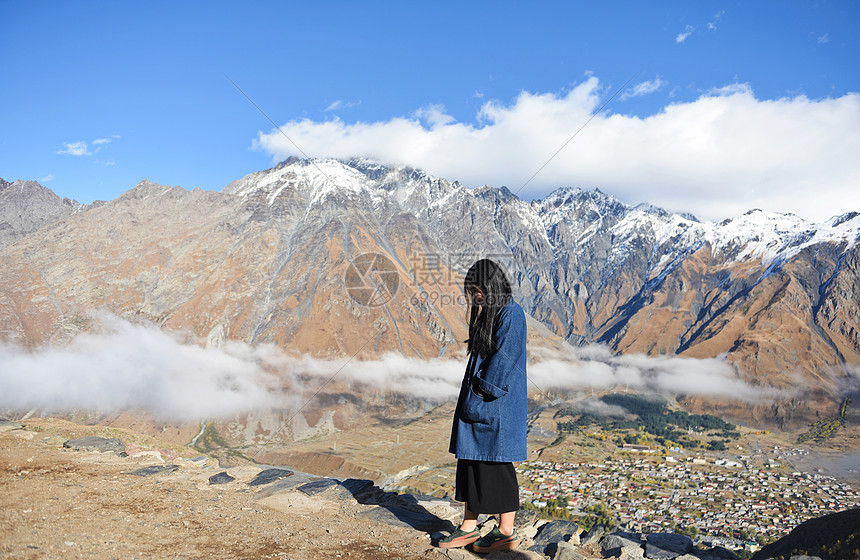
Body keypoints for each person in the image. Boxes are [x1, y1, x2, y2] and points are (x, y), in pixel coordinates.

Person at [438, 258, 528, 553]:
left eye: (476, 289)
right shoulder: (494, 312)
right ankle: (468, 527)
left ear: (490, 285)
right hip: (483, 404)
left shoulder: (511, 314)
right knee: (472, 463)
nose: (474, 296)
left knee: (496, 465)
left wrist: (480, 391)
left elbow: (502, 362)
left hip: (494, 406)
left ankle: (505, 531)